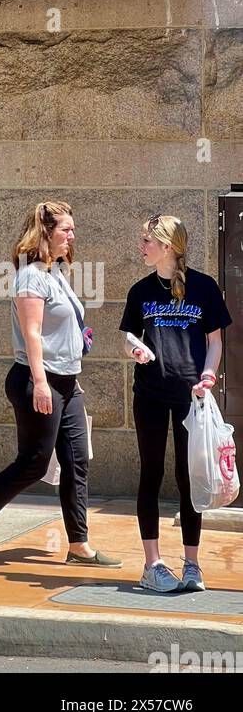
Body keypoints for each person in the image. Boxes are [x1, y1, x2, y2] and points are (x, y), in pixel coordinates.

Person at [0, 201, 121, 567]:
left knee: (77, 462)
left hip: (67, 382)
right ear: (46, 233)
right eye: (66, 229)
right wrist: (42, 383)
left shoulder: (55, 272)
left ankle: (79, 545)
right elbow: (31, 334)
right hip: (36, 380)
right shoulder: (30, 275)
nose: (72, 235)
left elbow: (57, 325)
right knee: (32, 462)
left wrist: (76, 342)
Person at [121, 214, 233, 593]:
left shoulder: (204, 287)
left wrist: (208, 376)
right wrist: (136, 348)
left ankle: (192, 565)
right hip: (149, 394)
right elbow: (128, 338)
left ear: (167, 246)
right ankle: (152, 564)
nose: (142, 247)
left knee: (190, 479)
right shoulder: (140, 291)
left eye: (147, 241)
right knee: (150, 473)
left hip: (192, 398)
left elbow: (215, 341)